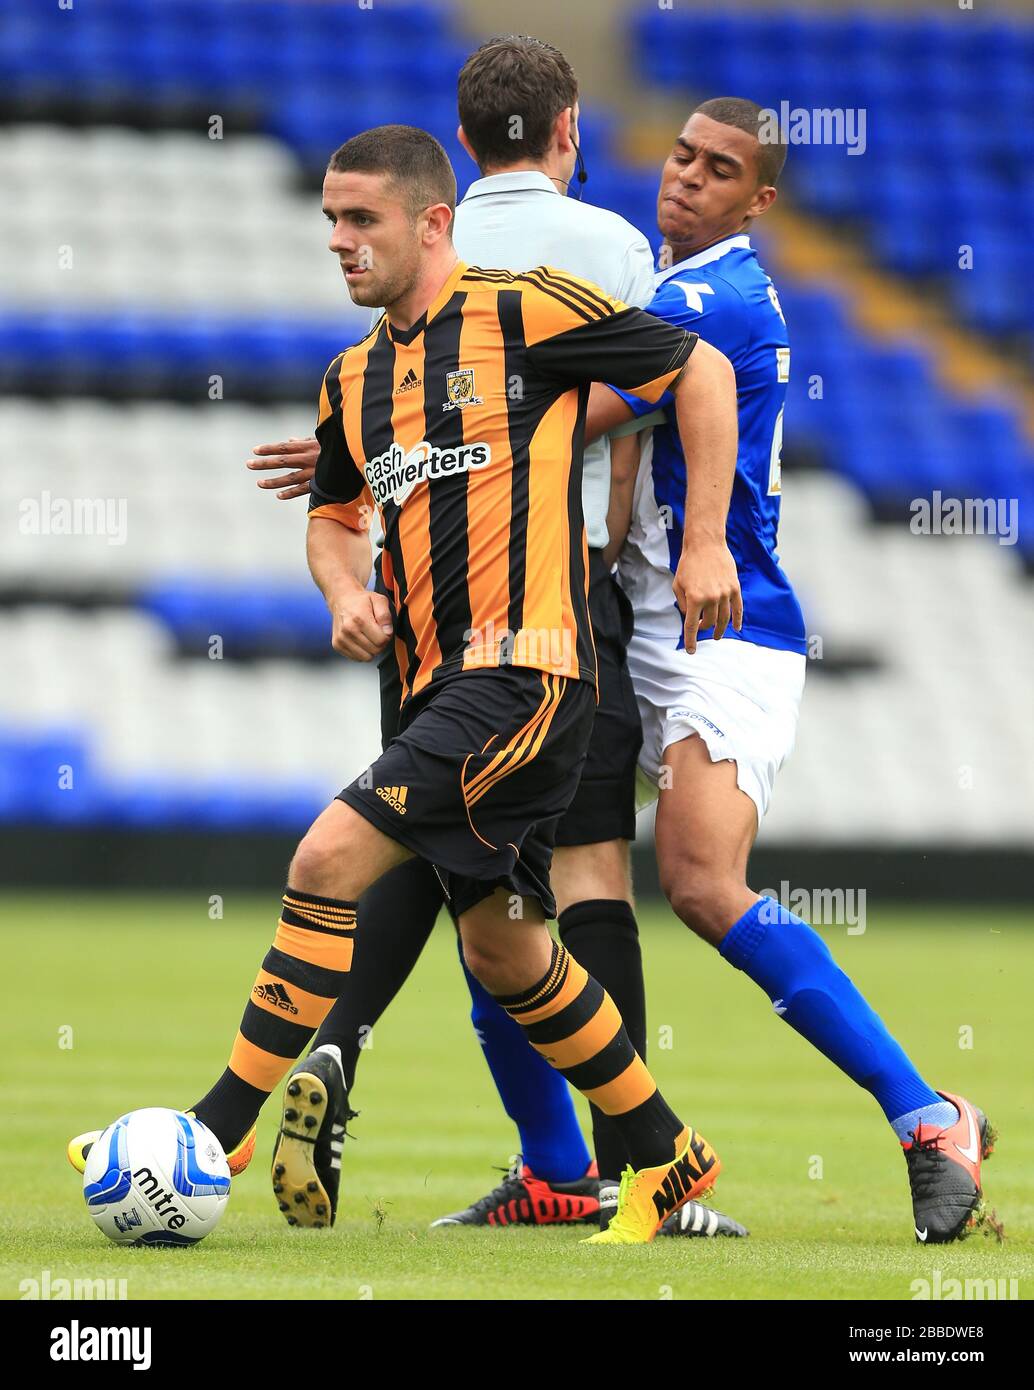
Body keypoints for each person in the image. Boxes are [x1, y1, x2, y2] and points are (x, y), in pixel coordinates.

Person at [246, 97, 997, 1247]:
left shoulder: (707, 298)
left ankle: (926, 1116)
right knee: (494, 873)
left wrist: (381, 431)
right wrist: (378, 429)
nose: (683, 177)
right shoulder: (654, 280)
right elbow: (505, 402)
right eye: (680, 155)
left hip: (717, 621)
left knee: (697, 881)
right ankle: (564, 1166)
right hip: (604, 621)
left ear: (760, 201)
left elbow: (528, 409)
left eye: (718, 169)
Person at [70, 122, 743, 1247]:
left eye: (360, 219)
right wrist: (343, 589)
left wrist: (706, 540)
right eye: (329, 219)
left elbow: (700, 369)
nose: (338, 239)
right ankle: (667, 1152)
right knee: (505, 949)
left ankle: (213, 1130)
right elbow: (334, 516)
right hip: (430, 685)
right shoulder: (353, 378)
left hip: (526, 671)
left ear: (433, 223)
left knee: (325, 858)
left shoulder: (524, 311)